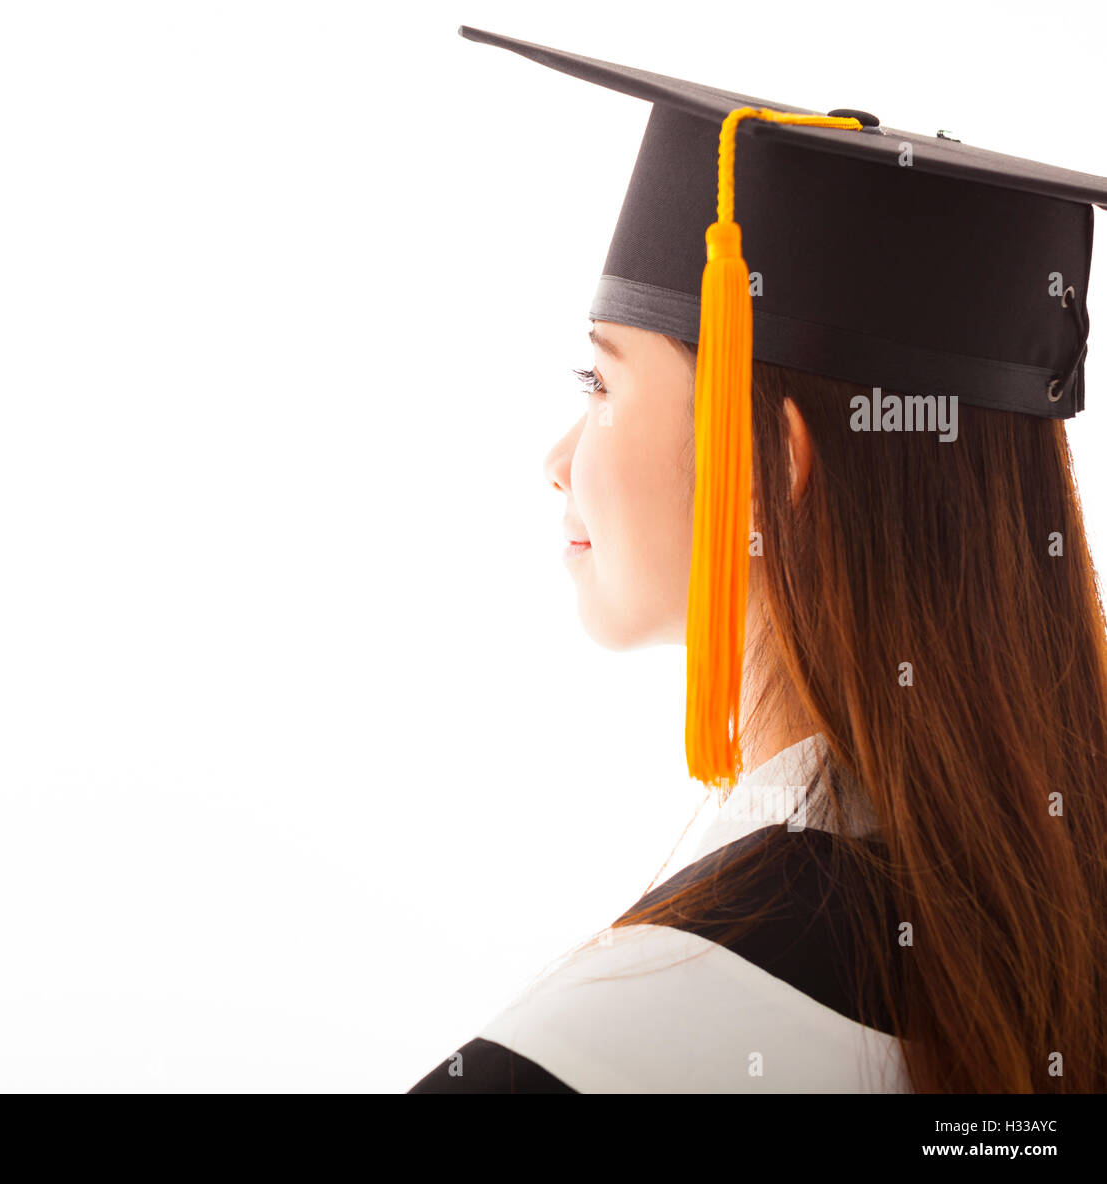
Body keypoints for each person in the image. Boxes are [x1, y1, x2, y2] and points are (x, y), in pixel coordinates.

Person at [406, 26, 1107, 1093]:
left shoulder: (600, 1051)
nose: (556, 459)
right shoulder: (1053, 921)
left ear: (761, 462)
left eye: (598, 384)